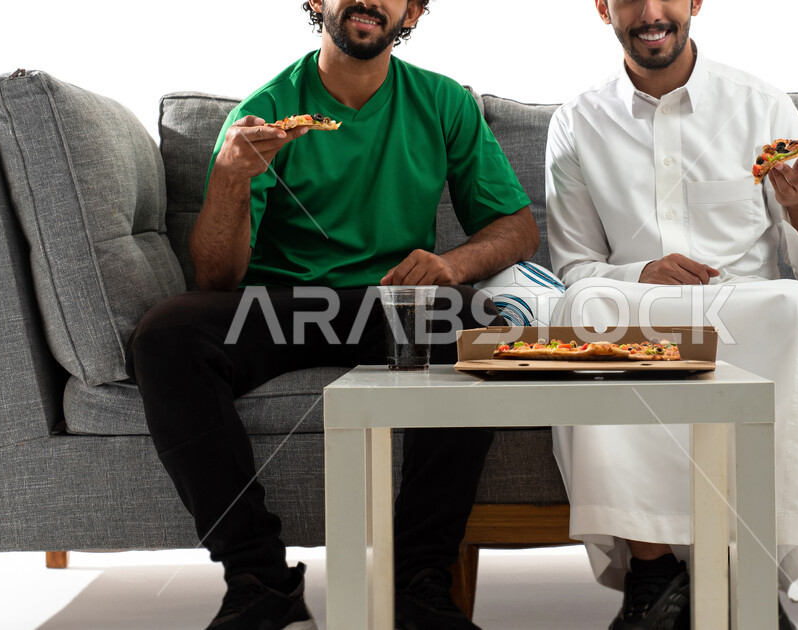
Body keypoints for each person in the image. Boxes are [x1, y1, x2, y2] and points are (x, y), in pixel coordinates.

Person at [125, 1, 537, 629]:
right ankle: (260, 582)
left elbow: (516, 227)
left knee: (477, 325)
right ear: (317, 1)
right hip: (281, 306)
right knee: (166, 336)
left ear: (413, 12)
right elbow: (216, 278)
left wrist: (453, 265)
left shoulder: (444, 102)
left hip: (392, 305)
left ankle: (418, 585)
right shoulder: (262, 111)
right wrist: (232, 181)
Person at [545, 0, 798, 628]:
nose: (651, 13)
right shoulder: (577, 121)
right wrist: (640, 273)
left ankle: (749, 570)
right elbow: (574, 267)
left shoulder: (762, 105)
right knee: (581, 306)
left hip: (743, 316)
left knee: (797, 304)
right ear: (604, 9)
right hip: (637, 312)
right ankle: (654, 575)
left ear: (695, 3)